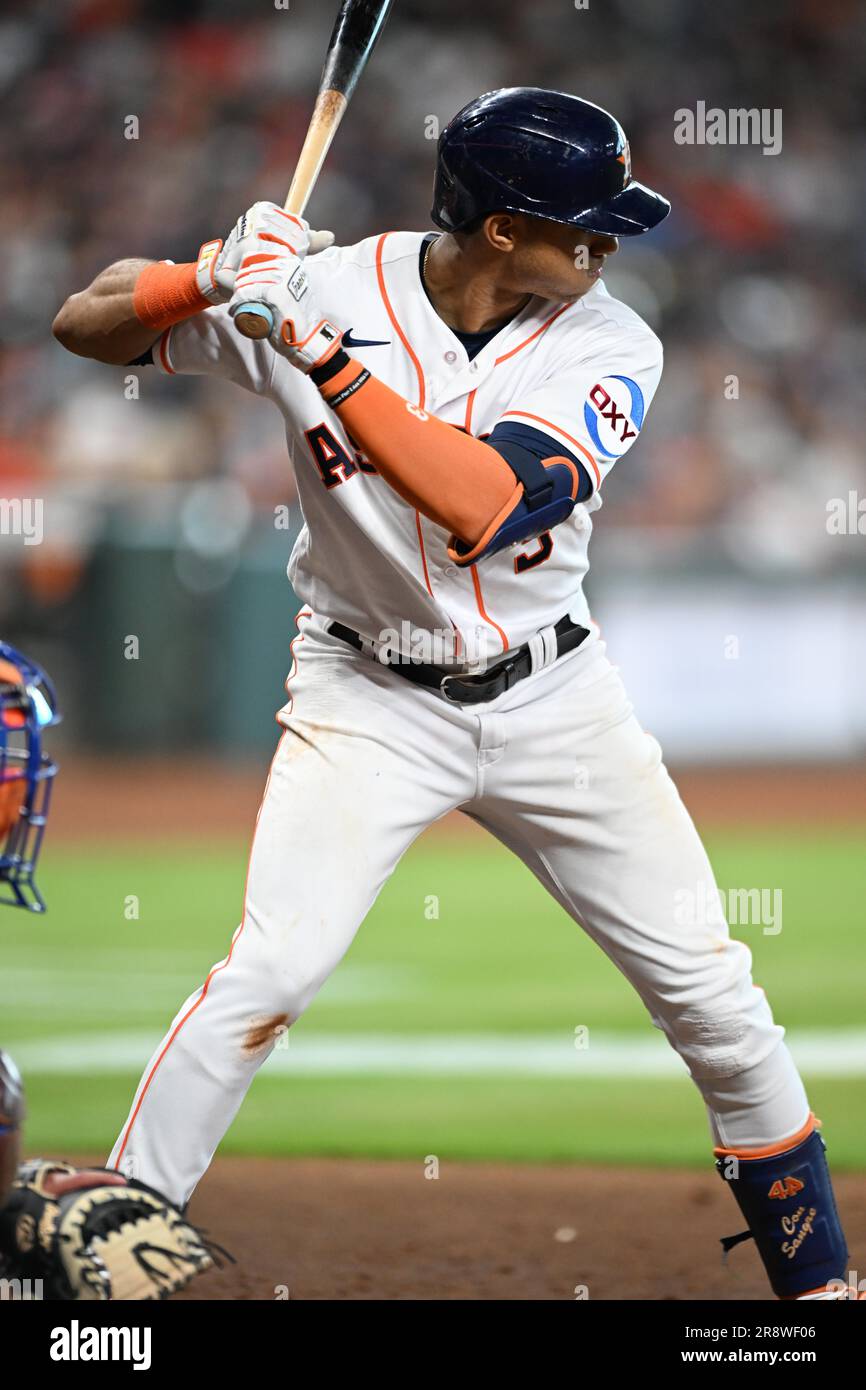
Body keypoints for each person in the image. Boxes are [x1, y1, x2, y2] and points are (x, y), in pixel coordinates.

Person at [53, 89, 858, 1300]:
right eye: (579, 228)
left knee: (711, 993)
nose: (604, 248)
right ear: (495, 228)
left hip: (553, 701)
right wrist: (207, 278)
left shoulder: (607, 340)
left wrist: (309, 349)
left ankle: (820, 1292)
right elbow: (85, 323)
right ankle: (110, 1268)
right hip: (365, 692)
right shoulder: (323, 285)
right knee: (266, 976)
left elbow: (481, 504)